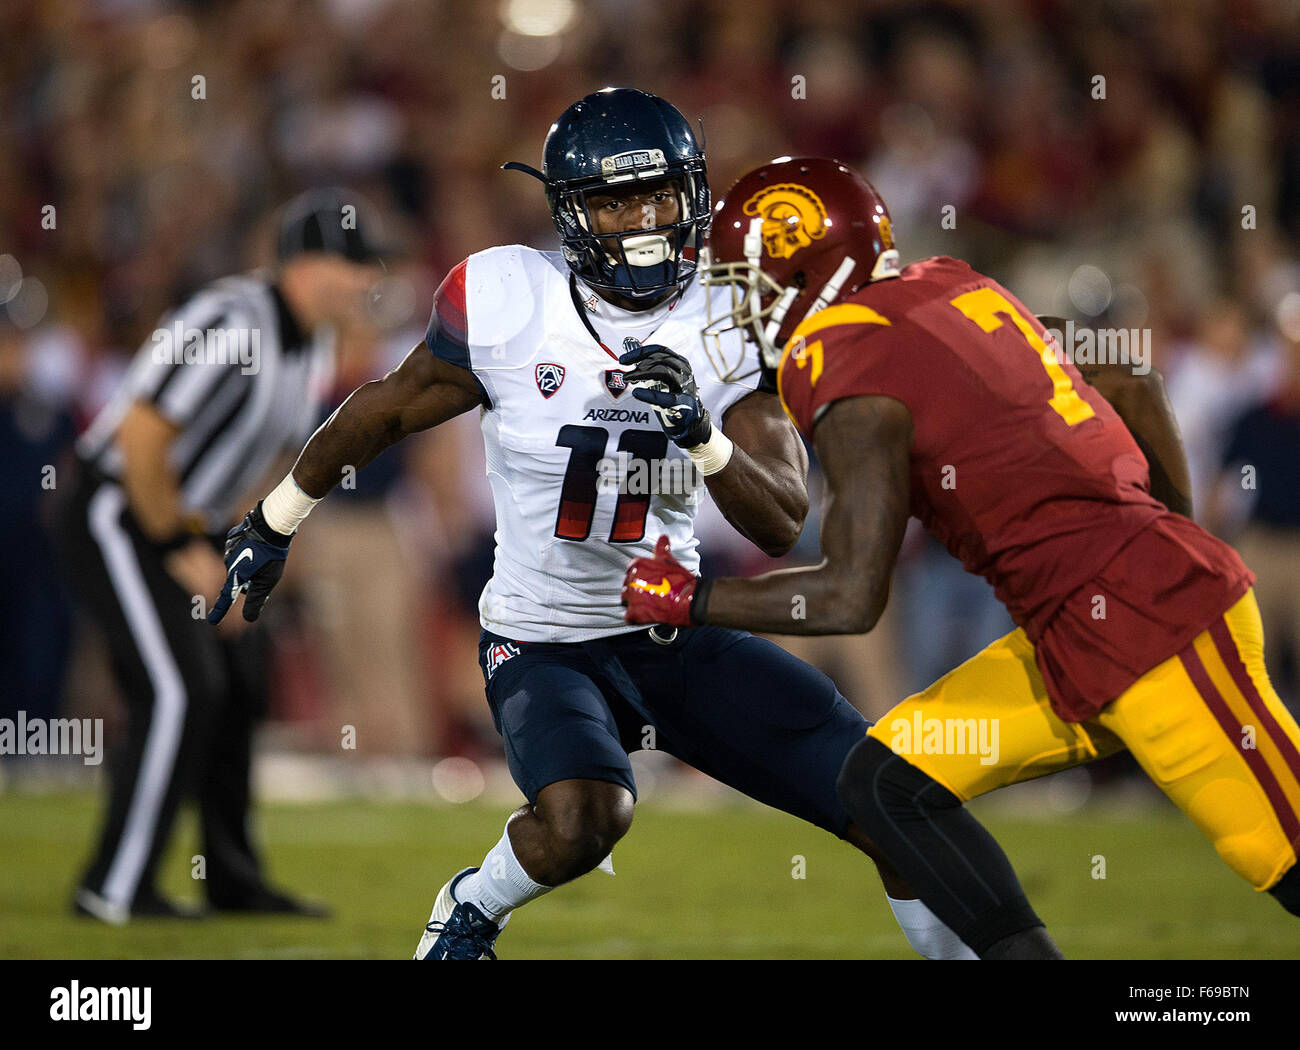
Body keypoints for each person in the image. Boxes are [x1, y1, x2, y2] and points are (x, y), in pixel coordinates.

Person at [210, 89, 975, 960]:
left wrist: (701, 434)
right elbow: (383, 412)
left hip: (675, 627)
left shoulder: (731, 315)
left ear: (694, 195)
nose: (644, 220)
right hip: (544, 639)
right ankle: (469, 908)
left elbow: (779, 519)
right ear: (571, 213)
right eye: (616, 200)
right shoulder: (511, 299)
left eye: (658, 195)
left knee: (886, 797)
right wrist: (274, 523)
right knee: (585, 817)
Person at [623, 156, 1300, 959]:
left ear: (809, 271)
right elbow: (1133, 384)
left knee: (1284, 858)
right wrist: (1168, 539)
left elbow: (848, 597)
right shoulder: (951, 286)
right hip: (1073, 636)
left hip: (1152, 626)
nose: (740, 309)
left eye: (750, 283)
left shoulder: (839, 353)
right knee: (887, 781)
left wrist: (690, 601)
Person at [56, 188, 383, 922]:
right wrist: (178, 545)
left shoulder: (314, 342)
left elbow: (255, 462)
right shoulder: (231, 319)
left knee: (239, 686)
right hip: (121, 508)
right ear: (307, 263)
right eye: (354, 262)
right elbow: (141, 439)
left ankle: (231, 878)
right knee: (179, 688)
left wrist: (241, 552)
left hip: (193, 521)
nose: (368, 280)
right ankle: (113, 888)